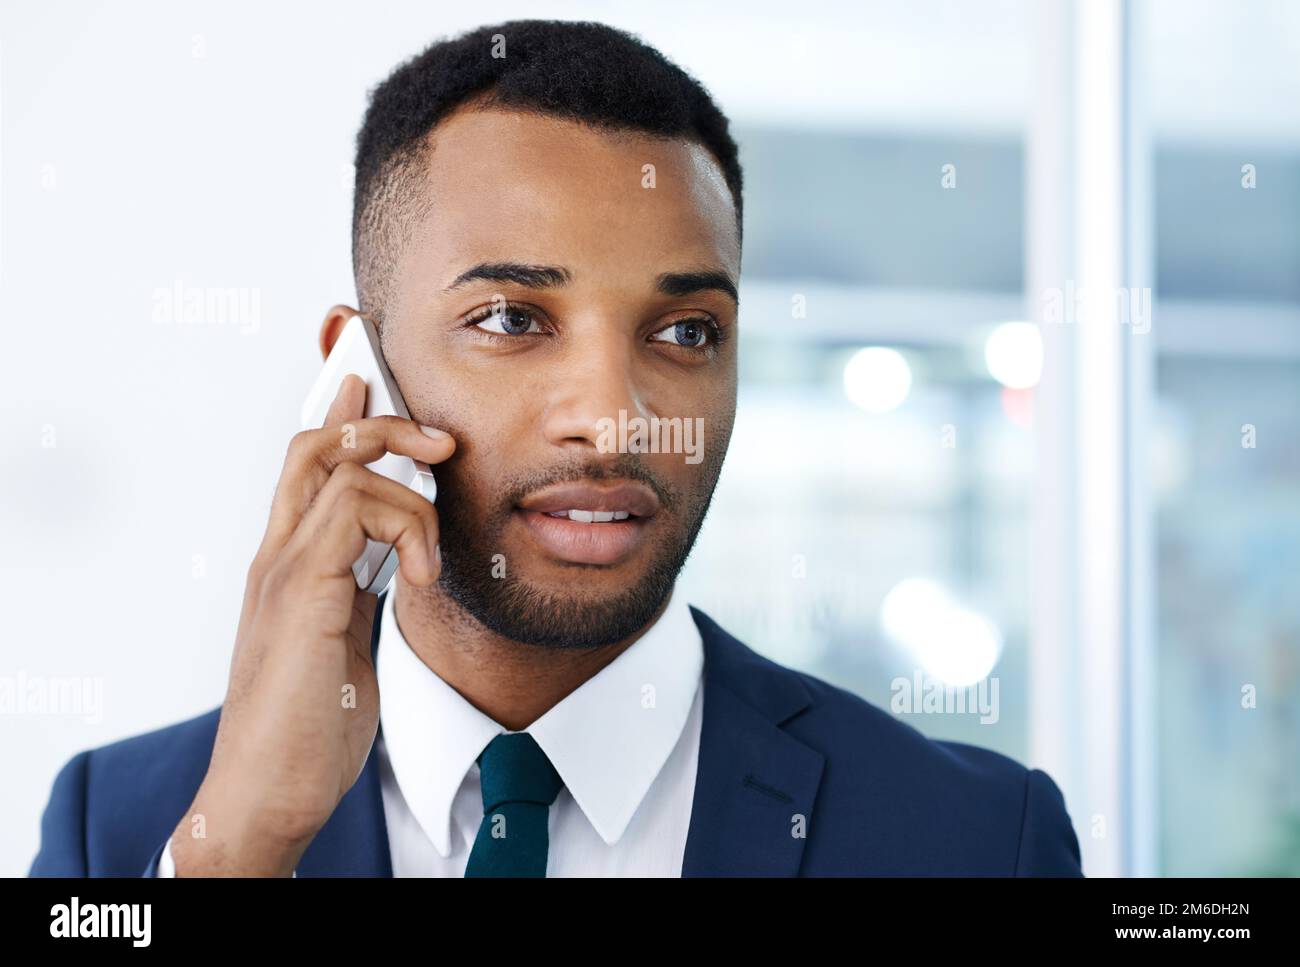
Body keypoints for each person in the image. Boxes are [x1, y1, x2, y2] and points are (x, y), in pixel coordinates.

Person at [29, 19, 1083, 877]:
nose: (614, 419)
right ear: (355, 373)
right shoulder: (128, 831)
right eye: (511, 319)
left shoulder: (975, 841)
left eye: (685, 332)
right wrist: (239, 854)